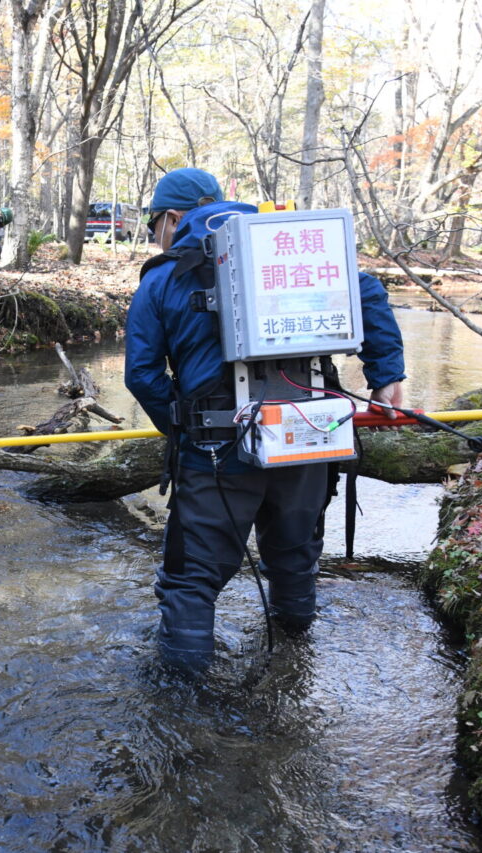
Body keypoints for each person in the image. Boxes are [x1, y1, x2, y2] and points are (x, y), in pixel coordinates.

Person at [123, 167, 405, 676]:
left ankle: (185, 701)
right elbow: (366, 291)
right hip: (308, 437)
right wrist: (386, 377)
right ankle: (294, 665)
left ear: (173, 219)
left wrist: (183, 426)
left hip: (215, 452)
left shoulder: (163, 278)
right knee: (295, 558)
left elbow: (142, 375)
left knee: (193, 579)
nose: (155, 237)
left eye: (154, 226)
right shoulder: (293, 256)